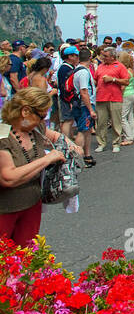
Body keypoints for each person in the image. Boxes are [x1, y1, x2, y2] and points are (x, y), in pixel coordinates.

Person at [0, 87, 82, 244]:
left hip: (31, 207)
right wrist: (47, 159)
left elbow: (56, 136)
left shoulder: (36, 129)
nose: (43, 121)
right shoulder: (3, 136)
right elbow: (8, 178)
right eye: (41, 116)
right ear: (25, 112)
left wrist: (71, 145)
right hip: (5, 211)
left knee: (28, 258)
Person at [93, 46, 129, 154]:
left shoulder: (120, 66)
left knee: (116, 122)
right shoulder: (100, 66)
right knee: (101, 122)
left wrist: (113, 79)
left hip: (115, 97)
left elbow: (126, 81)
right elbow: (95, 80)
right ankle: (101, 143)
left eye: (106, 56)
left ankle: (116, 143)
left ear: (112, 57)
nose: (103, 58)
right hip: (101, 97)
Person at [72, 47, 97, 167]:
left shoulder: (79, 70)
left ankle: (87, 155)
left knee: (86, 130)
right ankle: (76, 158)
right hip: (84, 105)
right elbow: (84, 91)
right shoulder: (83, 72)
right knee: (82, 131)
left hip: (84, 104)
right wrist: (91, 109)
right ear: (90, 58)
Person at [57, 45, 81, 138]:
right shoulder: (65, 69)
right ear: (70, 56)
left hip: (67, 98)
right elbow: (65, 87)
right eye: (76, 56)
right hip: (66, 98)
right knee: (68, 120)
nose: (77, 58)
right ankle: (65, 140)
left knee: (70, 120)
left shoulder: (68, 68)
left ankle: (69, 139)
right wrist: (70, 100)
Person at [118, 51, 134, 145]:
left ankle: (128, 137)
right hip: (132, 93)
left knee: (122, 117)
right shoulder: (132, 71)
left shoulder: (125, 71)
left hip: (126, 94)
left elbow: (123, 86)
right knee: (130, 116)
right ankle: (132, 134)